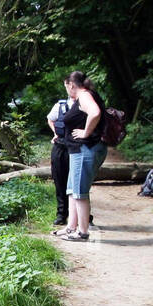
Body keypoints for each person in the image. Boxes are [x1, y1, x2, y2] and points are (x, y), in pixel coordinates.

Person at [59, 71, 105, 241]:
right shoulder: (84, 96)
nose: (66, 91)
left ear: (71, 84)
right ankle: (71, 227)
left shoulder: (84, 96)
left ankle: (83, 232)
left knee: (80, 192)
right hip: (78, 150)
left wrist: (86, 132)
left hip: (84, 149)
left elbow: (95, 112)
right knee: (72, 190)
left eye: (66, 87)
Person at [46, 97, 71, 225]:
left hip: (76, 148)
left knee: (77, 183)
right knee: (60, 181)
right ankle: (61, 214)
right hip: (60, 146)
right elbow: (50, 119)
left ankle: (81, 215)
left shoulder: (84, 104)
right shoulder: (60, 106)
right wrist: (55, 133)